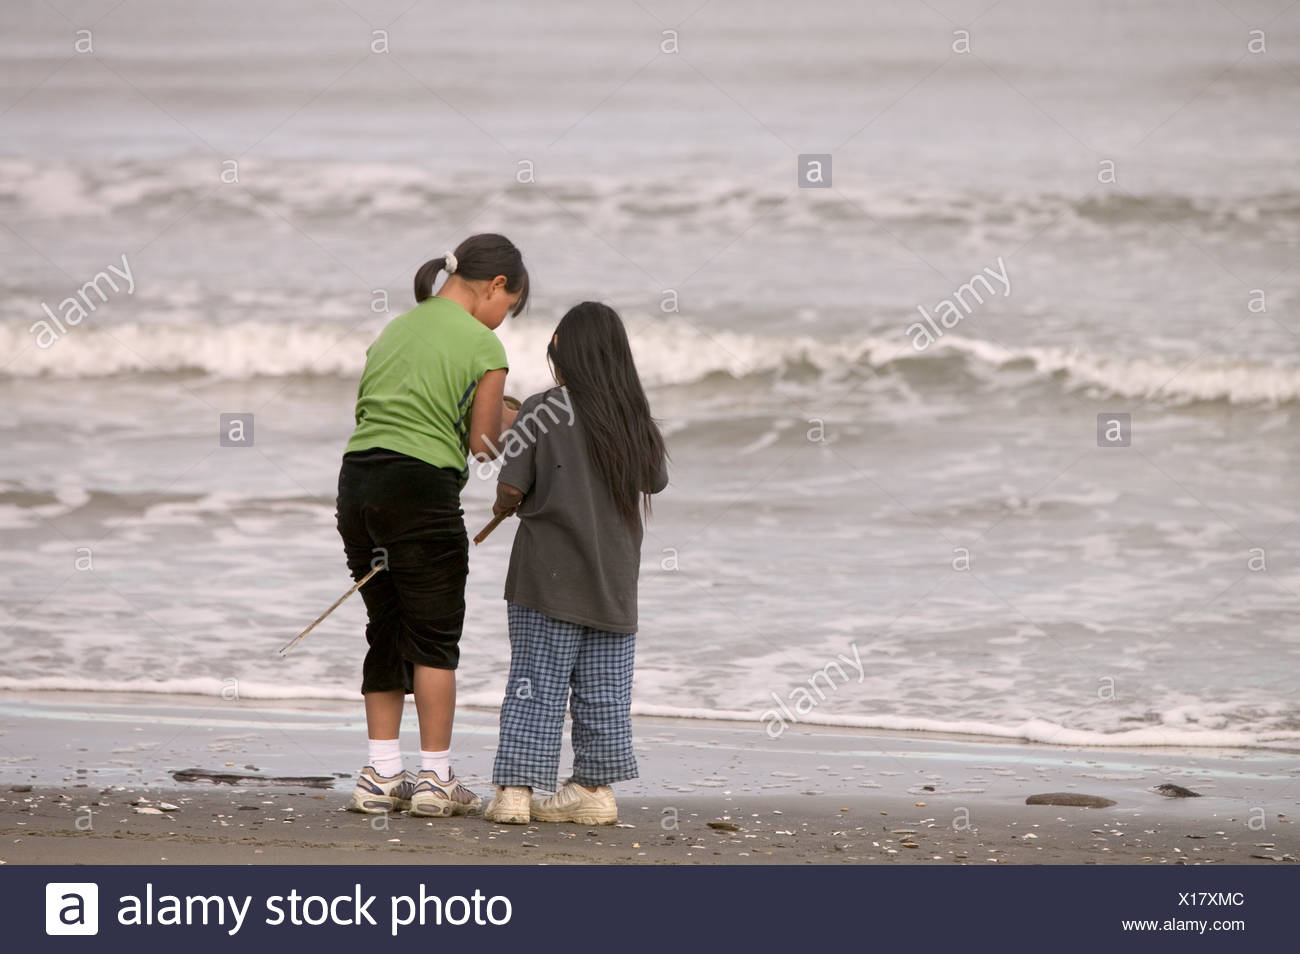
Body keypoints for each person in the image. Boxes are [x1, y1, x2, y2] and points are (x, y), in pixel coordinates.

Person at [336, 233, 528, 817]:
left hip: (357, 484)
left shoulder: (395, 328)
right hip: (420, 490)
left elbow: (376, 412)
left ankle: (380, 773)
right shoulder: (484, 346)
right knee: (435, 637)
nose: (503, 320)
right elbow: (484, 443)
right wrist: (514, 416)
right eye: (509, 307)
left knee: (387, 626)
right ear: (495, 287)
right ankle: (436, 779)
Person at [483, 301, 668, 826]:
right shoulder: (632, 415)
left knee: (535, 682)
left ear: (565, 354)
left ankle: (516, 793)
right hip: (613, 579)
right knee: (605, 689)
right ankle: (593, 790)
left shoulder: (542, 410)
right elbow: (654, 481)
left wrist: (508, 504)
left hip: (548, 576)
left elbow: (510, 488)